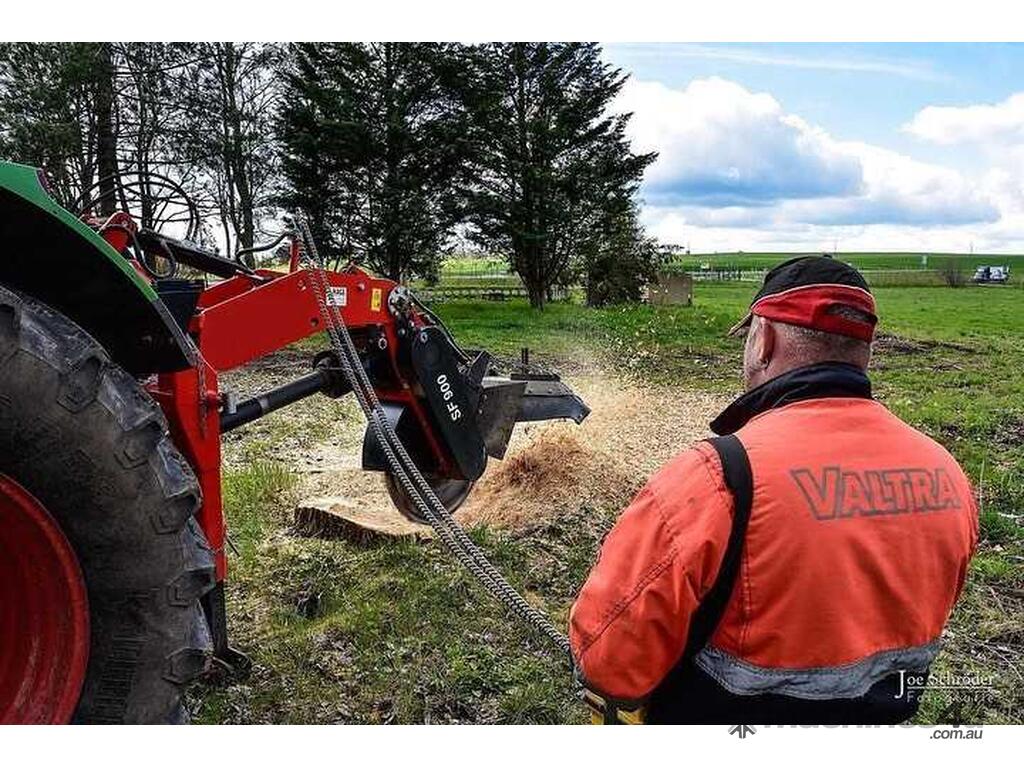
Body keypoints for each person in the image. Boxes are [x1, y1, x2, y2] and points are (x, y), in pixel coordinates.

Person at [569, 256, 978, 724]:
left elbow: (608, 657)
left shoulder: (718, 475)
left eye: (748, 337)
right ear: (863, 350)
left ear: (764, 340)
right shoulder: (946, 473)